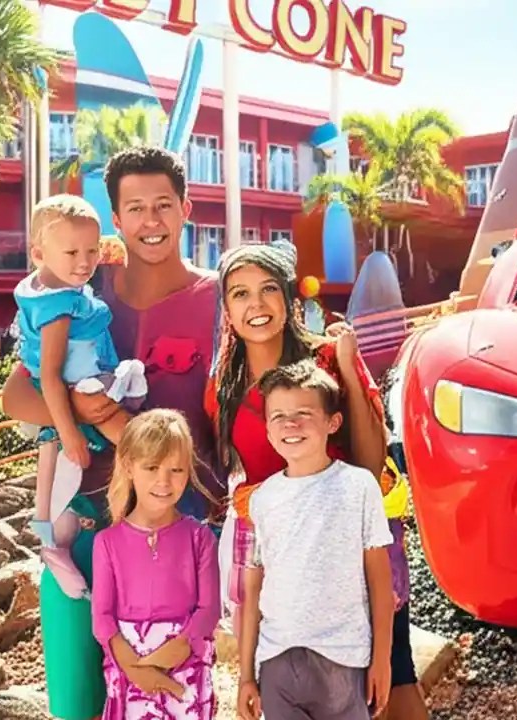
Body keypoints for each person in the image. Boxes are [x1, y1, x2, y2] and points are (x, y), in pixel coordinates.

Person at [1, 146, 225, 720]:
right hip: (84, 525)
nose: (150, 221)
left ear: (186, 210)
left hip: (179, 533)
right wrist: (81, 409)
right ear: (116, 220)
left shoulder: (223, 300)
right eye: (135, 208)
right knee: (76, 702)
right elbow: (17, 395)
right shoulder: (78, 288)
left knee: (167, 701)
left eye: (163, 206)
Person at [203, 244, 429, 719]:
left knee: (391, 683)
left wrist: (348, 365)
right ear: (226, 307)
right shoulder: (222, 383)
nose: (256, 305)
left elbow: (370, 463)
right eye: (240, 294)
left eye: (268, 290)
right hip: (290, 569)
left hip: (351, 545)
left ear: (288, 297)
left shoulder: (326, 357)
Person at [235, 361, 394, 720]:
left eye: (304, 413)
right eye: (278, 416)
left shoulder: (359, 487)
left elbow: (380, 581)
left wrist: (382, 658)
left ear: (332, 423)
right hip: (277, 663)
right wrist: (246, 674)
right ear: (268, 429)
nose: (290, 424)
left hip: (344, 659)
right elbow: (252, 590)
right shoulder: (261, 500)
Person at [14, 194, 148, 602]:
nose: (84, 261)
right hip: (77, 389)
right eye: (72, 252)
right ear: (39, 253)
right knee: (135, 438)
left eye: (92, 250)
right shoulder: (56, 308)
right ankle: (158, 493)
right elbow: (52, 378)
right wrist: (70, 431)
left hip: (90, 379)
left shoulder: (58, 287)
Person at [92, 409, 221, 719]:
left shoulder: (201, 538)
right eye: (151, 467)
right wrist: (137, 672)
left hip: (185, 669)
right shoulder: (107, 543)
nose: (164, 481)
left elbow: (209, 611)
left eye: (176, 470)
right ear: (128, 466)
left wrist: (168, 658)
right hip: (128, 671)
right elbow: (102, 617)